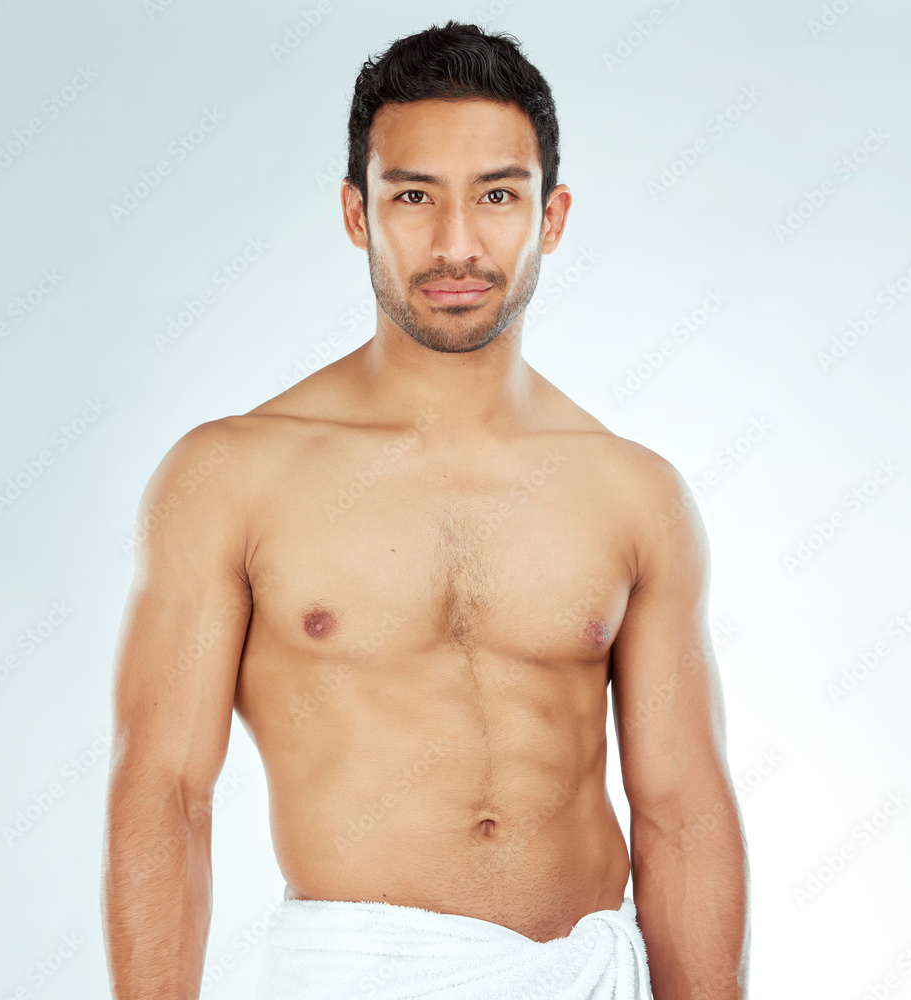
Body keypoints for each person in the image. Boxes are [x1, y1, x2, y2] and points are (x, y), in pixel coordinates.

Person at [101, 19, 749, 1000]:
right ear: (356, 211)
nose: (456, 243)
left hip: (585, 975)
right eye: (413, 195)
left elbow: (683, 813)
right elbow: (165, 792)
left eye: (497, 195)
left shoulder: (634, 493)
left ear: (552, 216)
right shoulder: (230, 476)